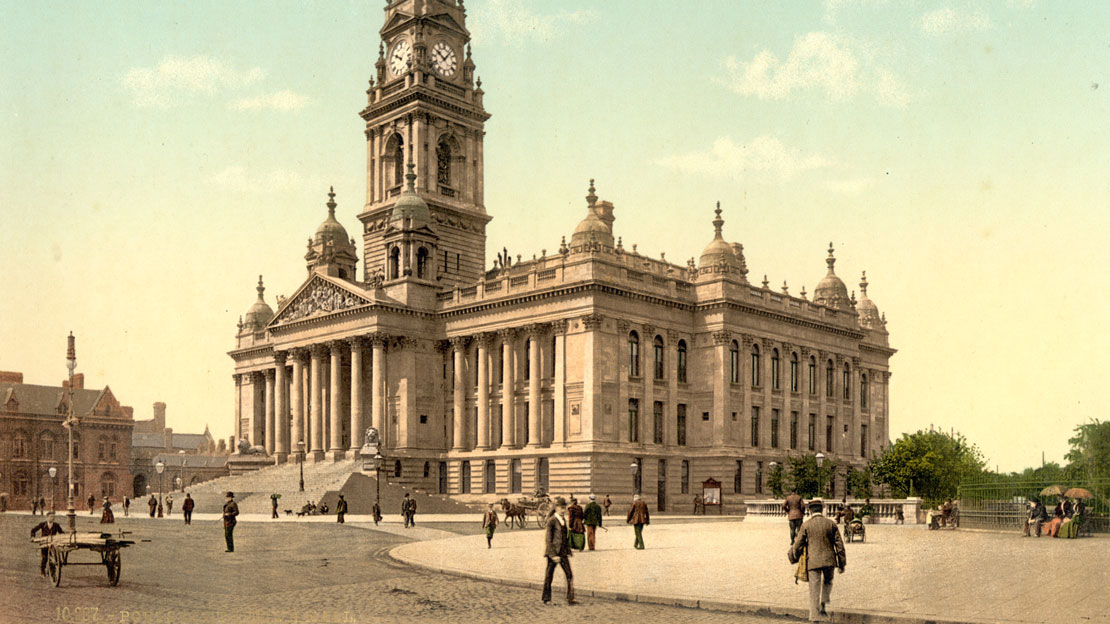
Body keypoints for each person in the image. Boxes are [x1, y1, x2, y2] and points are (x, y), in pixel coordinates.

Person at [789, 499, 846, 623]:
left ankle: (815, 617)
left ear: (810, 511)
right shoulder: (831, 524)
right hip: (830, 561)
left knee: (814, 589)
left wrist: (793, 557)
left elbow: (797, 544)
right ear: (822, 510)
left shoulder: (806, 525)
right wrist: (842, 563)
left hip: (813, 562)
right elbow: (840, 545)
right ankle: (823, 608)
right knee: (827, 583)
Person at [541, 497, 576, 606]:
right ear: (556, 508)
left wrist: (568, 550)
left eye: (564, 508)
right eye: (561, 508)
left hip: (563, 552)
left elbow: (564, 538)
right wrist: (553, 555)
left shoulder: (563, 520)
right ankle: (546, 599)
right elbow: (548, 539)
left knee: (569, 574)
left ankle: (570, 598)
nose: (563, 510)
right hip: (553, 553)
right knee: (549, 576)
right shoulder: (552, 520)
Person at [31, 512, 65, 577]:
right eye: (51, 517)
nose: (52, 518)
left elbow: (61, 532)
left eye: (53, 517)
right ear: (47, 518)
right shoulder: (42, 524)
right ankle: (42, 571)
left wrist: (65, 536)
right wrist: (32, 537)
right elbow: (33, 530)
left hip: (53, 544)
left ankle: (51, 571)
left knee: (54, 558)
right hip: (44, 543)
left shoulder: (56, 525)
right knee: (44, 558)